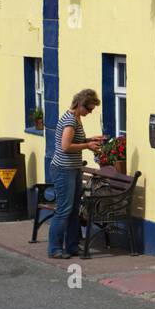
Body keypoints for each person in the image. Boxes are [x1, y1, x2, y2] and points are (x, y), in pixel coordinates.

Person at [47, 89, 105, 260]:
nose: (90, 112)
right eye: (89, 109)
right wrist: (87, 146)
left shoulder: (76, 118)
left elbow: (74, 141)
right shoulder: (70, 120)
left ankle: (72, 246)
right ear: (80, 105)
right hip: (63, 169)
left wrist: (89, 140)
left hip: (74, 168)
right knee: (64, 210)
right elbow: (65, 146)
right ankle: (54, 248)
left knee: (73, 210)